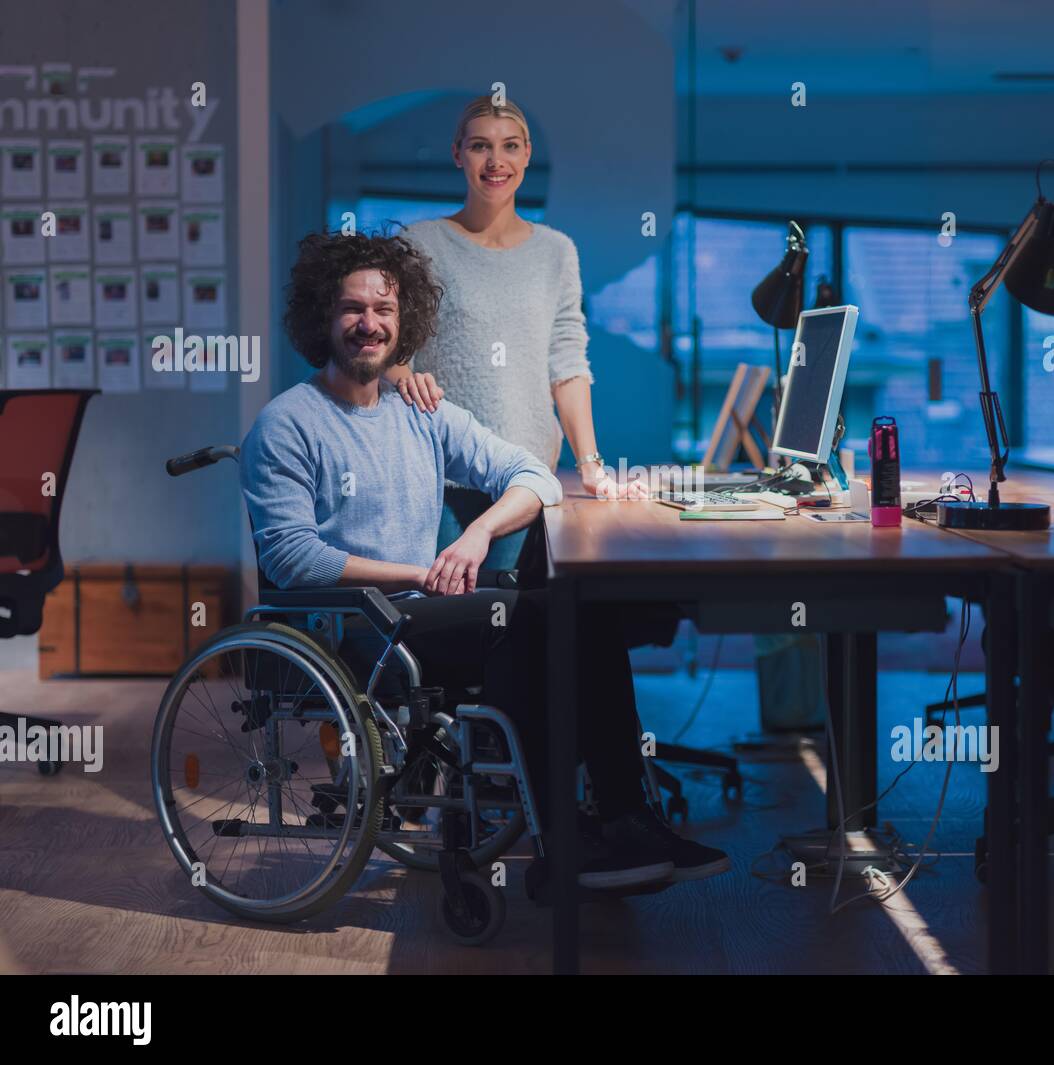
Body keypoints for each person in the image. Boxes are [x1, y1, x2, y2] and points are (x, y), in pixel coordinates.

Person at [240, 231, 729, 891]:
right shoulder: (286, 424)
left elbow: (535, 476)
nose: (369, 324)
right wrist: (417, 575)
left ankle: (626, 818)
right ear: (320, 318)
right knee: (529, 623)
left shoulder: (421, 412)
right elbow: (293, 557)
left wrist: (474, 537)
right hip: (355, 626)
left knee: (579, 605)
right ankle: (563, 839)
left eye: (384, 310)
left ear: (403, 319)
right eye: (352, 309)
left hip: (421, 613)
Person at [385, 94, 646, 571]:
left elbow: (567, 363)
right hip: (439, 474)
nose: (495, 161)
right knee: (449, 621)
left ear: (527, 154)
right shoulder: (418, 244)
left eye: (509, 146)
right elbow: (391, 346)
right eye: (481, 146)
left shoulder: (556, 252)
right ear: (457, 154)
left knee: (511, 623)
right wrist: (404, 375)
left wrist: (591, 466)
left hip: (526, 478)